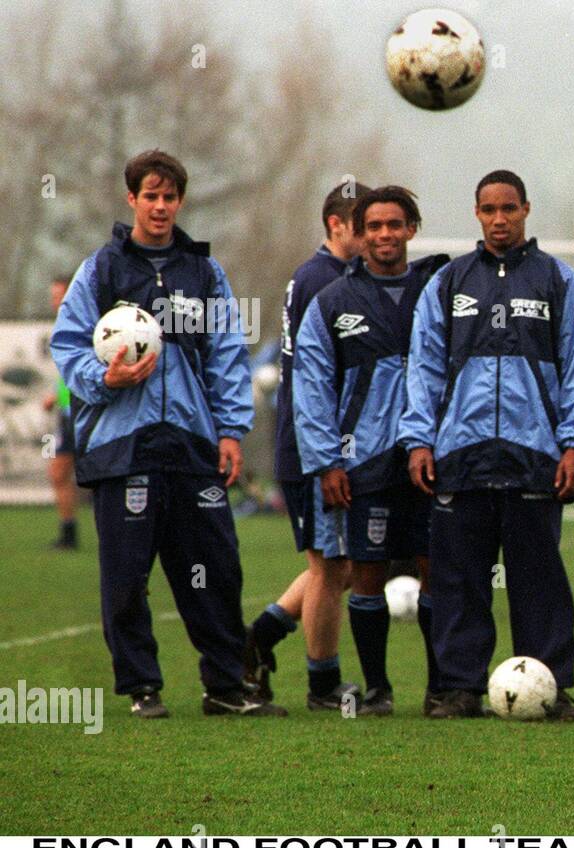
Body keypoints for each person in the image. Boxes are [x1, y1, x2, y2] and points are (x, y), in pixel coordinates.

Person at [50, 148, 284, 718]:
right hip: (120, 446)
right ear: (132, 198)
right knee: (127, 576)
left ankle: (226, 687)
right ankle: (142, 688)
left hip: (190, 445)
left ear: (180, 201)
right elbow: (68, 345)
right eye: (149, 196)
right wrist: (105, 378)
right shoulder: (102, 269)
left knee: (214, 569)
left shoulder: (203, 272)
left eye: (169, 196)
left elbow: (228, 355)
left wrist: (230, 432)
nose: (159, 206)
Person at [401, 170, 574, 720]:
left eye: (509, 208)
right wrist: (419, 439)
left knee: (538, 579)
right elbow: (422, 368)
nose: (499, 219)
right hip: (459, 457)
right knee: (457, 579)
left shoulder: (559, 281)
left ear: (525, 210)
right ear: (476, 213)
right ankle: (458, 687)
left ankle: (550, 686)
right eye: (489, 209)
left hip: (534, 455)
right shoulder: (448, 282)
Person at [293, 185, 448, 716]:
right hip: (362, 461)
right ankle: (378, 688)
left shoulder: (439, 289)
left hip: (430, 454)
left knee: (436, 567)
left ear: (411, 229)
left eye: (394, 225)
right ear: (358, 233)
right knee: (366, 571)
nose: (384, 235)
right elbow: (310, 386)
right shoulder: (332, 302)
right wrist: (325, 460)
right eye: (373, 226)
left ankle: (440, 687)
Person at [241, 181, 372, 704]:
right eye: (363, 225)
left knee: (344, 565)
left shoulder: (334, 276)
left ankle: (260, 637)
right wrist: (324, 452)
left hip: (331, 445)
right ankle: (322, 684)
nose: (372, 236)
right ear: (336, 225)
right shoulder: (322, 279)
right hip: (314, 448)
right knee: (331, 566)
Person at [43, 275, 79, 549]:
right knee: (57, 473)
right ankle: (68, 532)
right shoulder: (62, 327)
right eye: (54, 296)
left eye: (61, 296)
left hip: (82, 413)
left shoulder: (83, 325)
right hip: (66, 413)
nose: (56, 302)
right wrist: (56, 396)